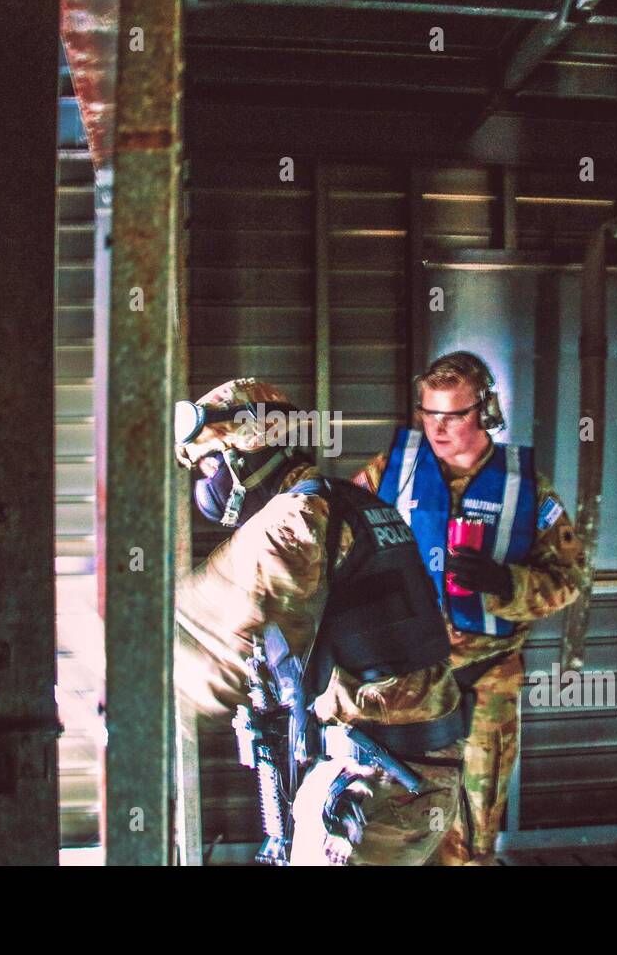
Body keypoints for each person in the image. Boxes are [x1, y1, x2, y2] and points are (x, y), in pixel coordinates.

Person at [172, 378, 471, 865]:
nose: (205, 484)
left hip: (374, 782)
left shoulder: (294, 520)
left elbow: (206, 644)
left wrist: (112, 691)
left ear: (245, 455)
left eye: (209, 463)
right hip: (418, 772)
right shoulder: (357, 503)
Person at [353, 351, 589, 865]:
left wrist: (507, 582)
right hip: (407, 679)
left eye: (453, 415)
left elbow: (569, 580)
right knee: (400, 811)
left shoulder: (526, 488)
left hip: (486, 678)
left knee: (475, 820)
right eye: (428, 413)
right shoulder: (387, 473)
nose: (437, 428)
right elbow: (340, 544)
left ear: (484, 411)